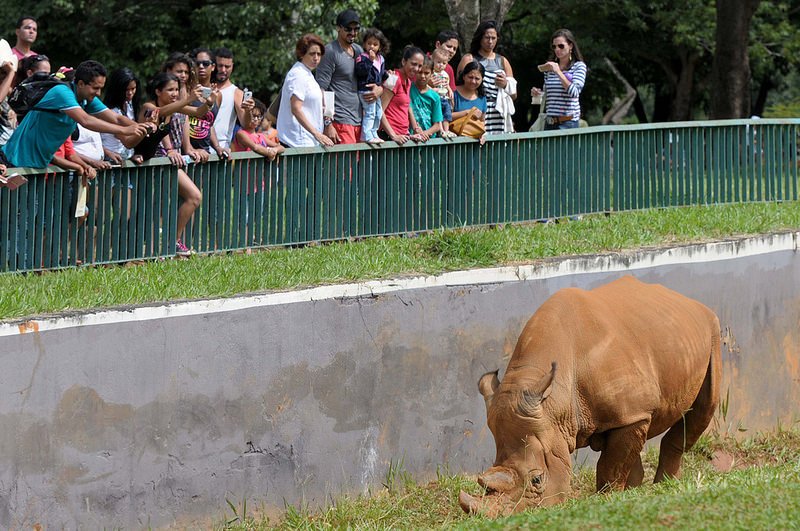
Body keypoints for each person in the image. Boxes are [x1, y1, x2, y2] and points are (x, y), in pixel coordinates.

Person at [0, 60, 149, 170]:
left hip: (37, 166)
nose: (98, 93)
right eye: (95, 88)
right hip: (15, 162)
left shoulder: (85, 99)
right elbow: (85, 120)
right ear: (81, 84)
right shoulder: (62, 93)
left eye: (101, 88)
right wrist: (124, 130)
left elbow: (116, 118)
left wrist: (139, 126)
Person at [139, 72, 204, 256]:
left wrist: (209, 101)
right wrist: (188, 99)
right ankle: (155, 250)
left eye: (177, 89)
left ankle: (171, 242)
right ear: (158, 91)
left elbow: (199, 113)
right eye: (170, 90)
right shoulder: (148, 106)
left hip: (165, 163)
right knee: (151, 209)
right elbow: (158, 113)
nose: (175, 93)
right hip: (150, 162)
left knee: (193, 197)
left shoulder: (173, 108)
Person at [315, 9, 382, 145]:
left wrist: (379, 89)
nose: (352, 33)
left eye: (356, 29)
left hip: (360, 121)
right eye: (348, 29)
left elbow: (372, 76)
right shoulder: (330, 51)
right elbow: (321, 90)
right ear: (338, 28)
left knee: (358, 166)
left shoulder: (359, 50)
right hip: (340, 121)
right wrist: (328, 123)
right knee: (346, 166)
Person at [457, 20, 516, 134]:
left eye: (493, 38)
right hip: (475, 110)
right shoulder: (469, 59)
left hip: (499, 114)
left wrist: (505, 85)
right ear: (480, 38)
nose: (490, 41)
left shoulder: (503, 61)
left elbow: (513, 95)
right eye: (487, 38)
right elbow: (459, 89)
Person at [277, 34, 334, 148]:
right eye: (312, 54)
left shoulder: (306, 73)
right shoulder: (298, 74)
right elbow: (296, 108)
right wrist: (316, 134)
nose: (316, 58)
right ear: (302, 54)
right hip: (297, 142)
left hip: (307, 142)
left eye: (319, 54)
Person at [531, 29, 587, 131]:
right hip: (549, 122)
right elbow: (549, 96)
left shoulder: (579, 66)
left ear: (570, 46)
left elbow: (574, 92)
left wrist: (558, 72)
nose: (557, 49)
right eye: (554, 46)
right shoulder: (549, 69)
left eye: (561, 46)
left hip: (568, 123)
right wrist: (538, 93)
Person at [379, 46, 425, 145]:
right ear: (404, 62)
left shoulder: (408, 81)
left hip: (402, 137)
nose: (417, 69)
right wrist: (393, 135)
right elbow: (379, 110)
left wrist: (414, 130)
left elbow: (407, 107)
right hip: (388, 138)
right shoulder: (394, 79)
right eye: (413, 64)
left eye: (420, 66)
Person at [187, 48, 228, 158]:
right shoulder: (187, 90)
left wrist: (217, 147)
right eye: (197, 63)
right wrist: (190, 149)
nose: (201, 67)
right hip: (187, 154)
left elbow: (209, 124)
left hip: (205, 154)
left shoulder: (217, 94)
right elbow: (181, 122)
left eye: (205, 64)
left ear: (213, 67)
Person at [212, 47, 253, 150]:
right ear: (213, 65)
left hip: (221, 150)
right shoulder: (205, 87)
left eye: (227, 66)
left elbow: (246, 125)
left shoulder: (236, 92)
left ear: (232, 66)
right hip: (198, 148)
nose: (223, 70)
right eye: (220, 66)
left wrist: (248, 110)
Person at [100, 67, 144, 165]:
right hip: (110, 163)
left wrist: (131, 155)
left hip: (124, 161)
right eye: (126, 89)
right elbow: (128, 142)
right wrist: (145, 130)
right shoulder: (110, 111)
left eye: (133, 89)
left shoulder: (130, 106)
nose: (130, 93)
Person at [354, 28, 389, 144]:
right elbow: (360, 71)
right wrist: (369, 60)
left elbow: (381, 73)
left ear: (380, 46)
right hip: (365, 90)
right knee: (370, 113)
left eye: (375, 44)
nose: (372, 47)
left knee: (378, 113)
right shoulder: (362, 57)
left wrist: (387, 76)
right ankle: (366, 135)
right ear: (364, 44)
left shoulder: (381, 59)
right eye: (369, 43)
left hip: (376, 92)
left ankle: (373, 133)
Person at [452, 60, 487, 143]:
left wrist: (482, 134)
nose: (473, 81)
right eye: (470, 77)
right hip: (453, 142)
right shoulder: (453, 93)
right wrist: (468, 112)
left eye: (477, 78)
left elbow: (482, 122)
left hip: (473, 145)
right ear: (464, 76)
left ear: (482, 79)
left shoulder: (482, 98)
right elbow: (445, 116)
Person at [409, 56, 442, 141]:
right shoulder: (408, 88)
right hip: (410, 138)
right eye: (420, 72)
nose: (423, 76)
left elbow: (437, 124)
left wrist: (424, 134)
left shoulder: (435, 97)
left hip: (428, 141)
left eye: (426, 73)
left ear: (432, 73)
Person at [430, 48, 455, 137]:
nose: (441, 65)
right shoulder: (431, 73)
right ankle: (440, 130)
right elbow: (427, 86)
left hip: (445, 98)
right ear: (433, 60)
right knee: (439, 115)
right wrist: (432, 89)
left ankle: (446, 130)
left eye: (444, 63)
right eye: (439, 62)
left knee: (447, 115)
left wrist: (450, 90)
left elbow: (446, 84)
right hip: (436, 98)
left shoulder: (445, 74)